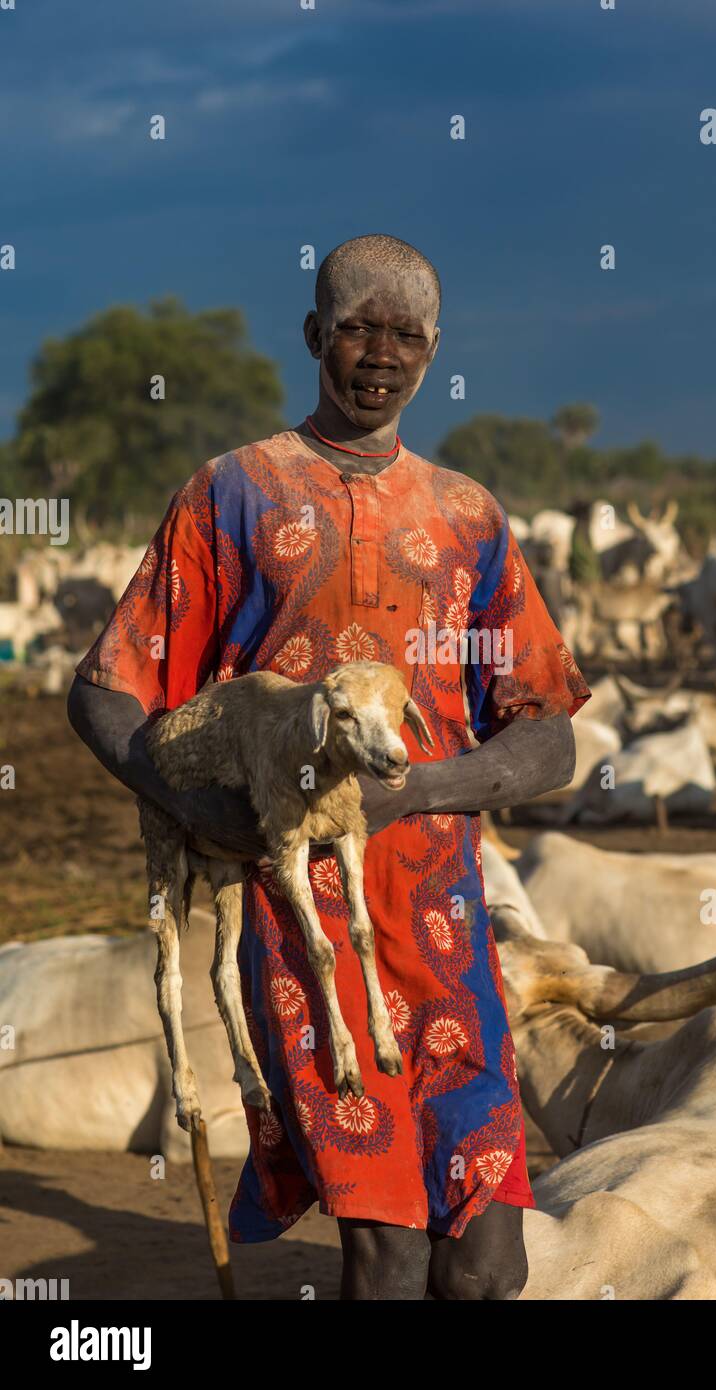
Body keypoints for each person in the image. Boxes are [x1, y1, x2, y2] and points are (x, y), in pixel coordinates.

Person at [68, 234, 590, 1299]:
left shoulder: (470, 518)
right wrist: (189, 796)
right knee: (387, 1251)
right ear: (315, 335)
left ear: (434, 351)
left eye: (406, 333)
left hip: (448, 928)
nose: (380, 353)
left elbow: (549, 733)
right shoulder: (235, 494)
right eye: (359, 326)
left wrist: (426, 790)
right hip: (302, 918)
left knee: (488, 1264)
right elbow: (103, 689)